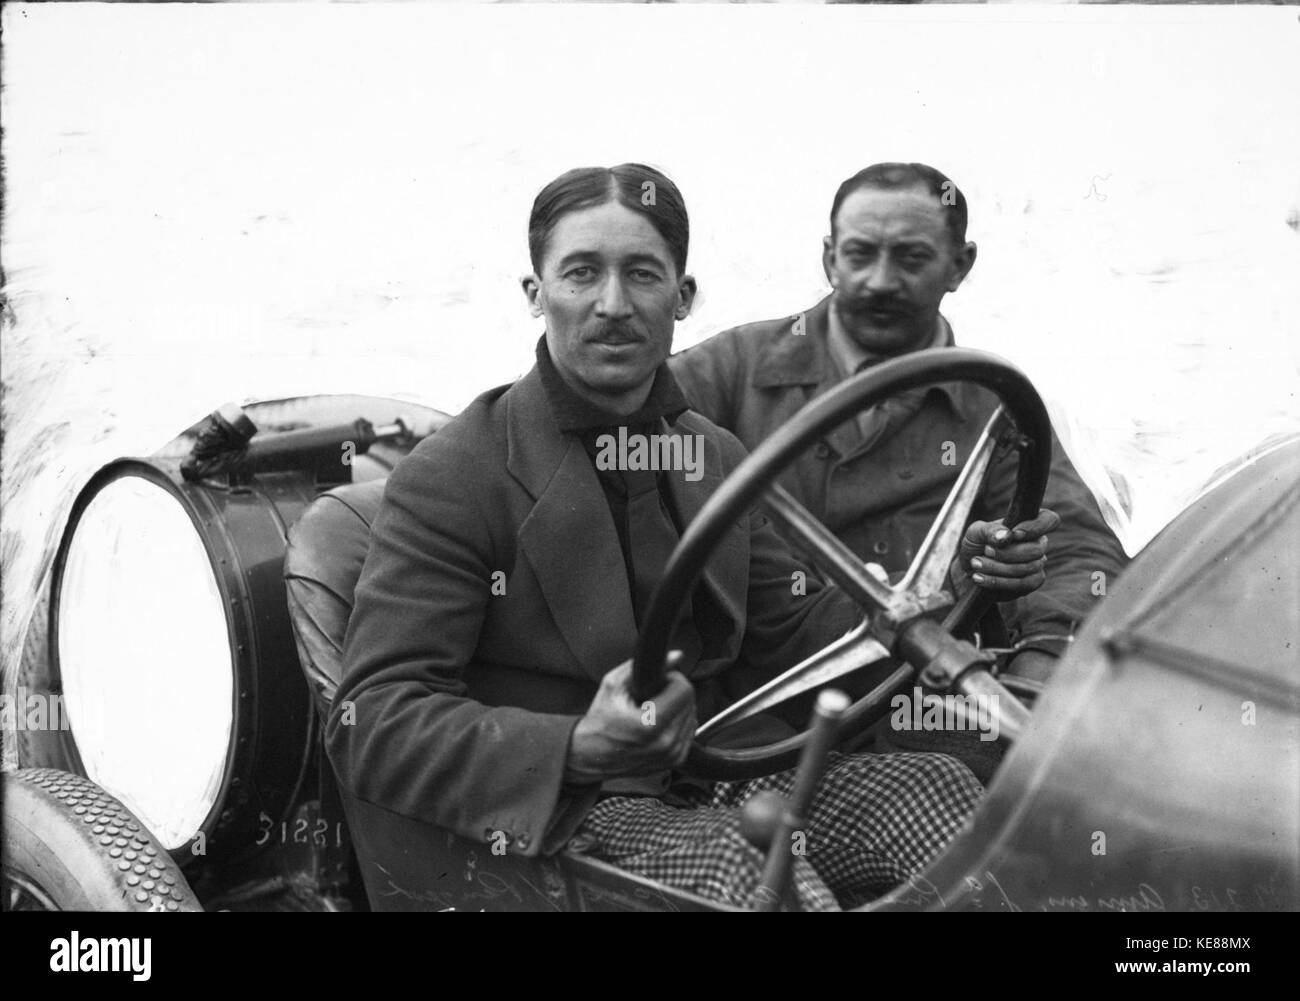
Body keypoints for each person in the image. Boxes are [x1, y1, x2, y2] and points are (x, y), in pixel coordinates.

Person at [325, 164, 1056, 911]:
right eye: (581, 274)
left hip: (717, 766)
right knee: (760, 885)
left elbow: (797, 632)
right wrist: (574, 747)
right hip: (566, 810)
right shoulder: (454, 476)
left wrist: (954, 590)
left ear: (682, 297)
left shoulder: (712, 455)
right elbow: (373, 723)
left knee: (941, 795)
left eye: (642, 274)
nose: (613, 305)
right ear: (535, 294)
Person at [669, 162, 1127, 700]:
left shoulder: (993, 406)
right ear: (829, 258)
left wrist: (1041, 661)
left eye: (912, 258)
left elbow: (1077, 553)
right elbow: (620, 427)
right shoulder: (732, 368)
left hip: (918, 705)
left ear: (960, 266)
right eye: (860, 254)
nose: (882, 281)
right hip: (751, 711)